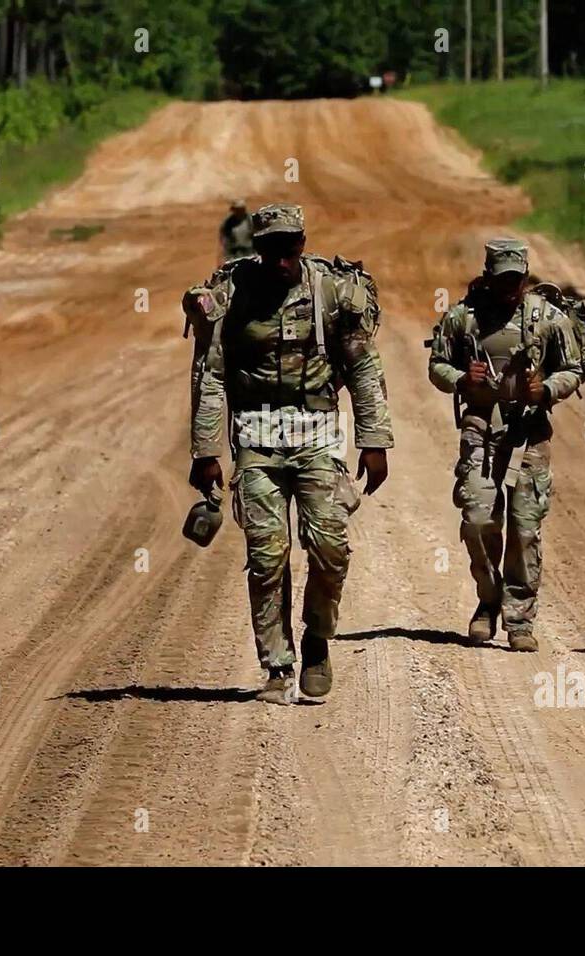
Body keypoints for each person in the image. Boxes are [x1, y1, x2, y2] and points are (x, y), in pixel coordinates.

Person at [183, 203, 392, 703]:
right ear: (257, 249)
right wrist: (206, 449)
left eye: (290, 247)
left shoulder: (330, 291)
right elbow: (209, 373)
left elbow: (362, 366)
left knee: (329, 548)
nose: (281, 259)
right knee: (267, 554)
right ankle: (276, 665)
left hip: (317, 433)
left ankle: (317, 636)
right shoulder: (233, 293)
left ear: (302, 244)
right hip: (255, 436)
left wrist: (374, 438)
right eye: (271, 248)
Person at [427, 238, 583, 650]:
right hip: (480, 430)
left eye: (517, 279)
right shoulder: (462, 318)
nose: (511, 287)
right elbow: (436, 365)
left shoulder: (548, 320)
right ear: (489, 276)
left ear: (526, 277)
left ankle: (519, 620)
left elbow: (573, 369)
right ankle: (487, 598)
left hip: (528, 435)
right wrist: (462, 379)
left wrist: (545, 390)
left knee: (525, 529)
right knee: (478, 520)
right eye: (503, 279)